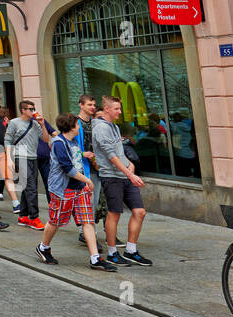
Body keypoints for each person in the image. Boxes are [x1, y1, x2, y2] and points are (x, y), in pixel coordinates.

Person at [36, 113, 116, 272]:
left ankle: (95, 258)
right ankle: (43, 247)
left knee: (88, 221)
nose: (79, 126)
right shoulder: (59, 143)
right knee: (55, 221)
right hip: (63, 190)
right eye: (77, 125)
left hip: (79, 189)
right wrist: (88, 180)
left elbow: (77, 164)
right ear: (72, 127)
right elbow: (68, 168)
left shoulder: (73, 143)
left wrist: (84, 183)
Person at [93, 96, 153, 266]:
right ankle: (112, 253)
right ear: (106, 109)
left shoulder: (114, 127)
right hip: (112, 177)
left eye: (120, 108)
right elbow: (110, 155)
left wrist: (130, 164)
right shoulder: (100, 128)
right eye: (116, 109)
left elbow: (119, 152)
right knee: (114, 214)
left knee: (139, 211)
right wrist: (130, 173)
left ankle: (131, 250)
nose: (120, 112)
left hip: (125, 175)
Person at [4, 100, 51, 229]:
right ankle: (34, 217)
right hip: (20, 155)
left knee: (28, 186)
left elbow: (46, 139)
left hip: (33, 157)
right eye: (30, 109)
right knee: (31, 187)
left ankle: (23, 216)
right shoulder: (14, 123)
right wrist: (9, 159)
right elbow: (7, 140)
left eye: (34, 108)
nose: (33, 111)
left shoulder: (36, 124)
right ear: (23, 110)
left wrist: (42, 125)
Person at [73, 94, 101, 241]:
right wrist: (83, 153)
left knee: (94, 202)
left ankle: (87, 232)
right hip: (82, 169)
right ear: (81, 105)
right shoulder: (75, 123)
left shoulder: (95, 123)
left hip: (97, 168)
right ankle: (87, 233)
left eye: (93, 105)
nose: (92, 107)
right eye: (89, 105)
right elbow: (67, 145)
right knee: (87, 202)